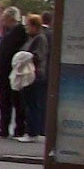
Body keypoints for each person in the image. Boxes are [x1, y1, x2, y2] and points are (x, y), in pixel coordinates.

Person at [0, 6, 29, 139]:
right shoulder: (7, 32)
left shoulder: (19, 33)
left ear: (10, 18)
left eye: (4, 18)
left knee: (17, 101)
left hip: (14, 72)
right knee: (4, 101)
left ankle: (19, 129)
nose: (2, 20)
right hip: (5, 73)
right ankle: (4, 128)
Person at [18, 12, 50, 142]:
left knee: (33, 104)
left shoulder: (40, 38)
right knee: (29, 103)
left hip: (35, 75)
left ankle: (33, 132)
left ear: (34, 26)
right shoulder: (31, 39)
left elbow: (38, 56)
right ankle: (30, 130)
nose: (26, 28)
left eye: (28, 26)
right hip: (28, 74)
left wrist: (24, 57)